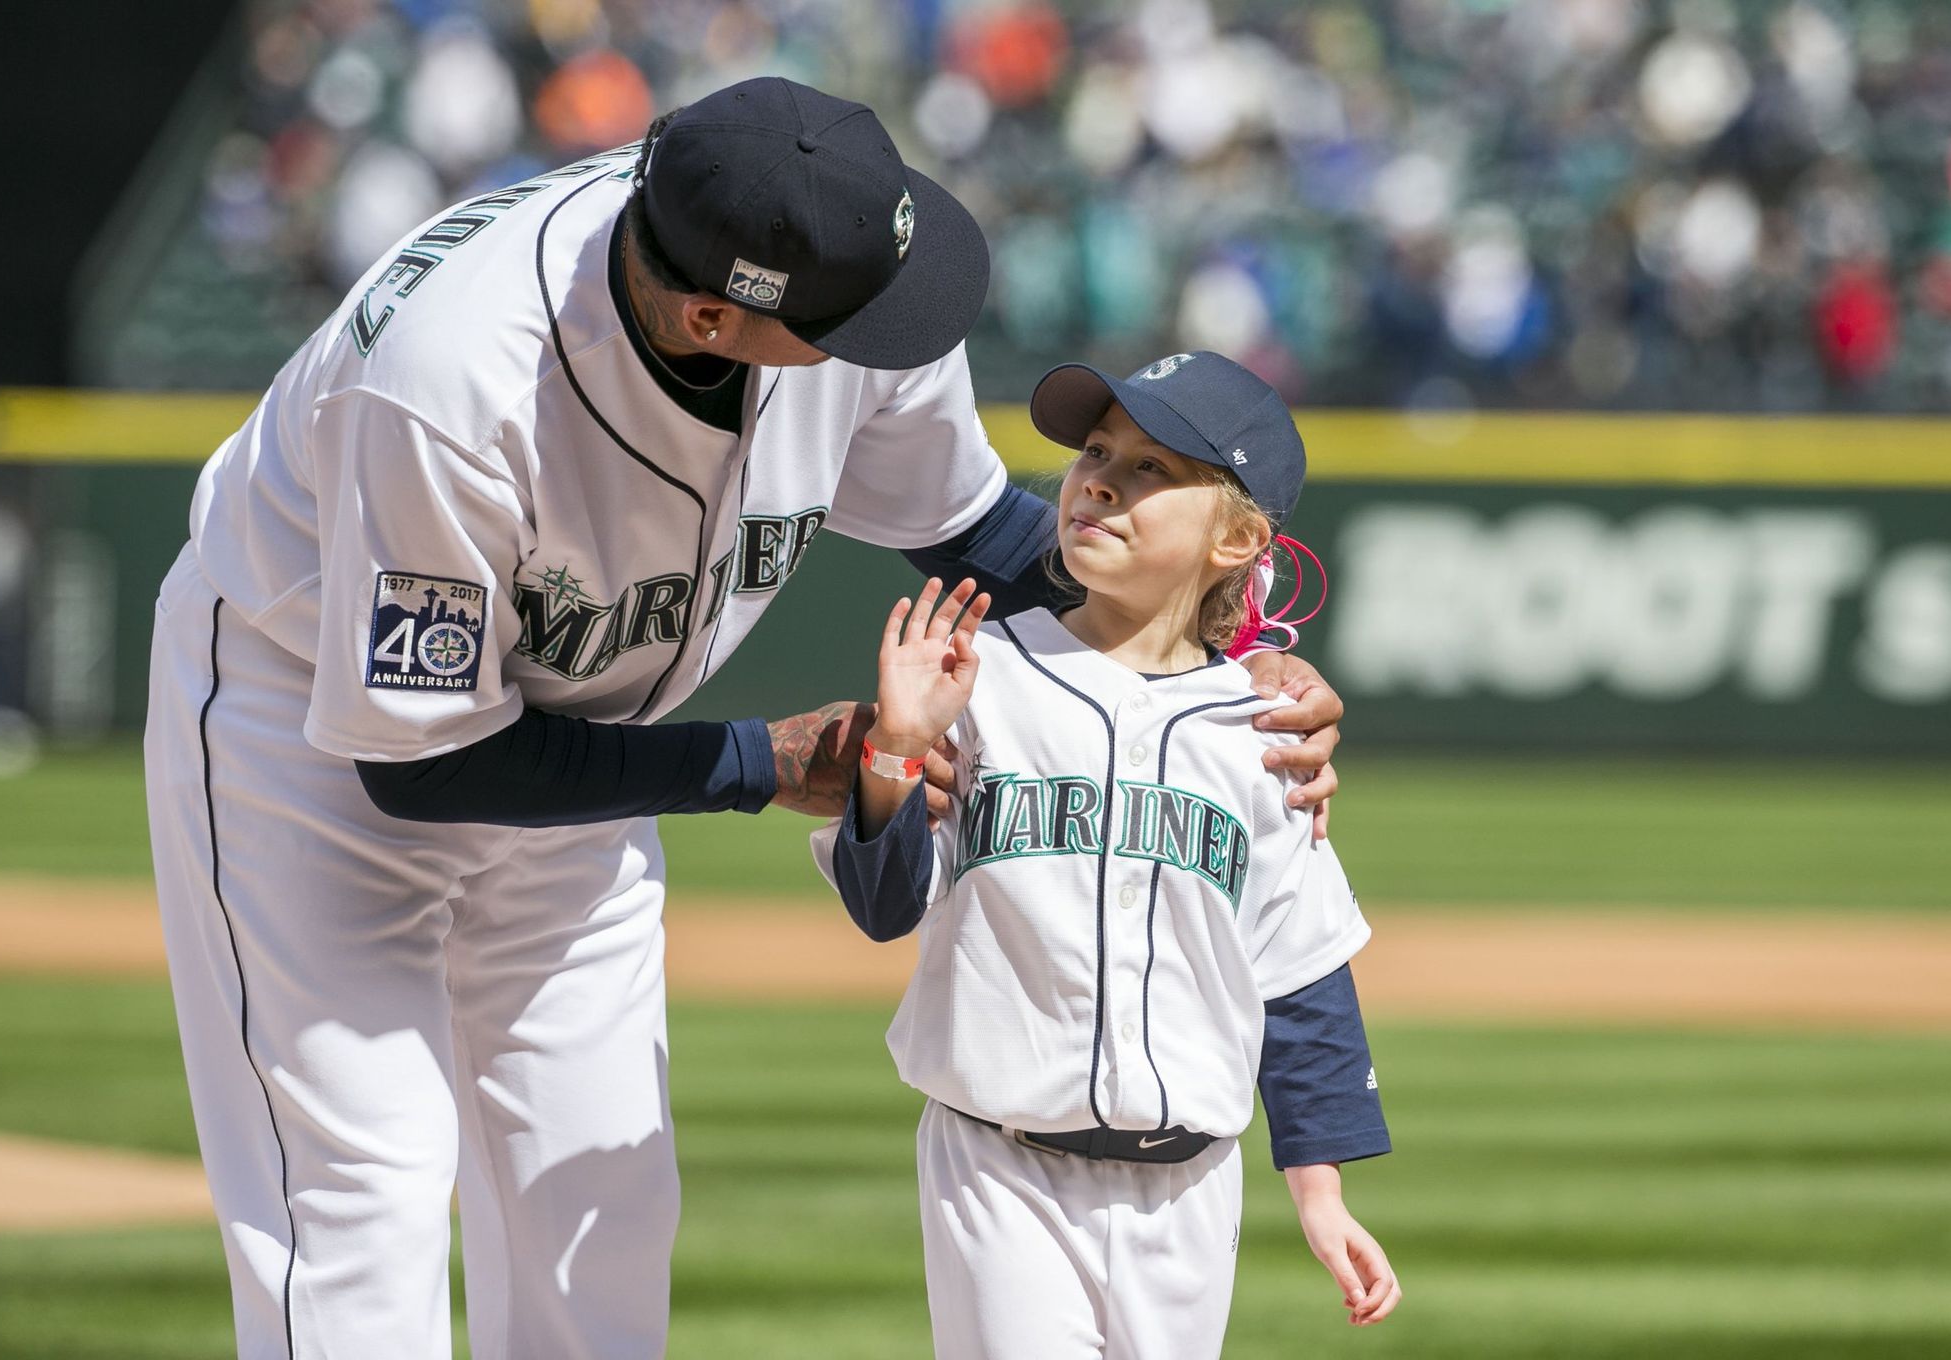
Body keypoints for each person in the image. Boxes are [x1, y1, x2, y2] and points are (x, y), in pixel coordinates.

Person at [144, 77, 1346, 1358]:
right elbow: (421, 762)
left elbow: (985, 537)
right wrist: (755, 762)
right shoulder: (453, 387)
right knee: (358, 1194)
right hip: (311, 727)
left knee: (597, 1207)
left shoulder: (814, 240)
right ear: (716, 315)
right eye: (857, 322)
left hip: (584, 740)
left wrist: (1244, 664)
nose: (899, 330)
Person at [814, 350, 1399, 1358]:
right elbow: (883, 903)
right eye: (1095, 451)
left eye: (1151, 469)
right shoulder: (978, 674)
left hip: (1192, 1188)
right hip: (999, 1166)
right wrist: (895, 753)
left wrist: (1322, 1189)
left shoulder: (1263, 730)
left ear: (1239, 539)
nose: (1099, 481)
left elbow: (1301, 976)